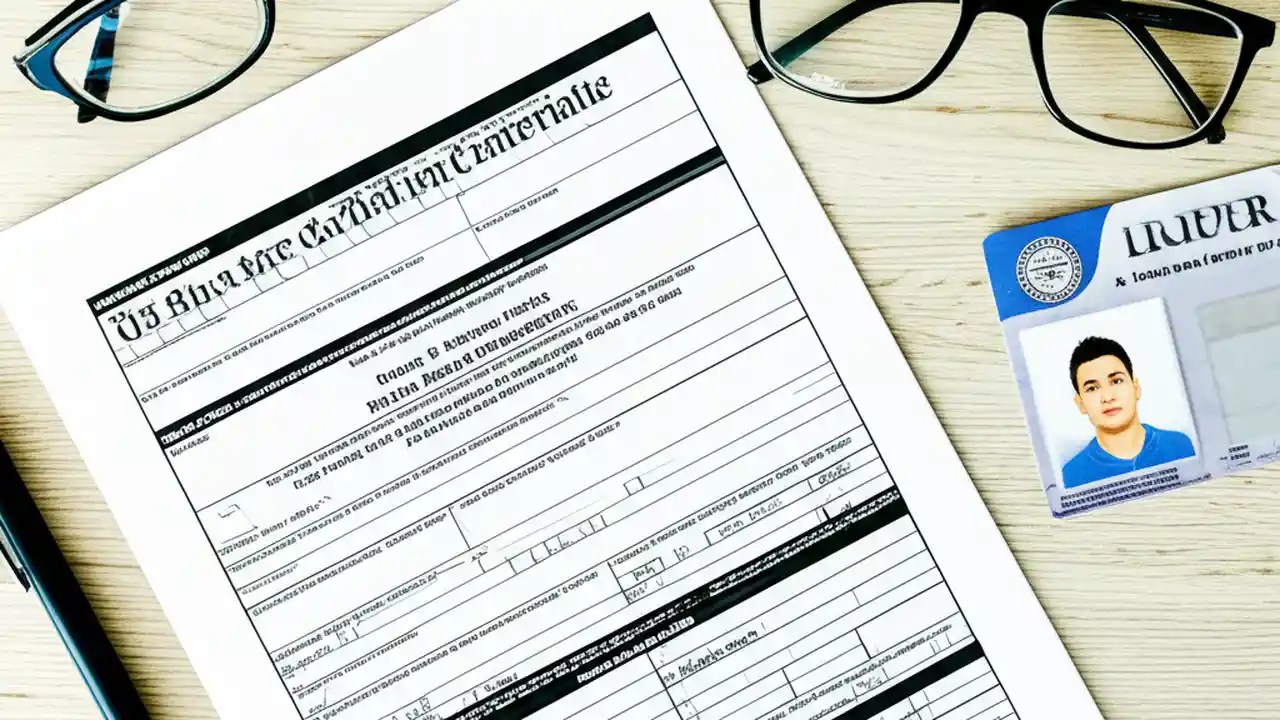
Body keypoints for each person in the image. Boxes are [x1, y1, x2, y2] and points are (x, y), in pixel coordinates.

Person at [1061, 336, 1194, 489]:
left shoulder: (1180, 446)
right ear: (1081, 404)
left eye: (1116, 381)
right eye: (1092, 388)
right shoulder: (1071, 476)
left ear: (1136, 388)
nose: (1107, 397)